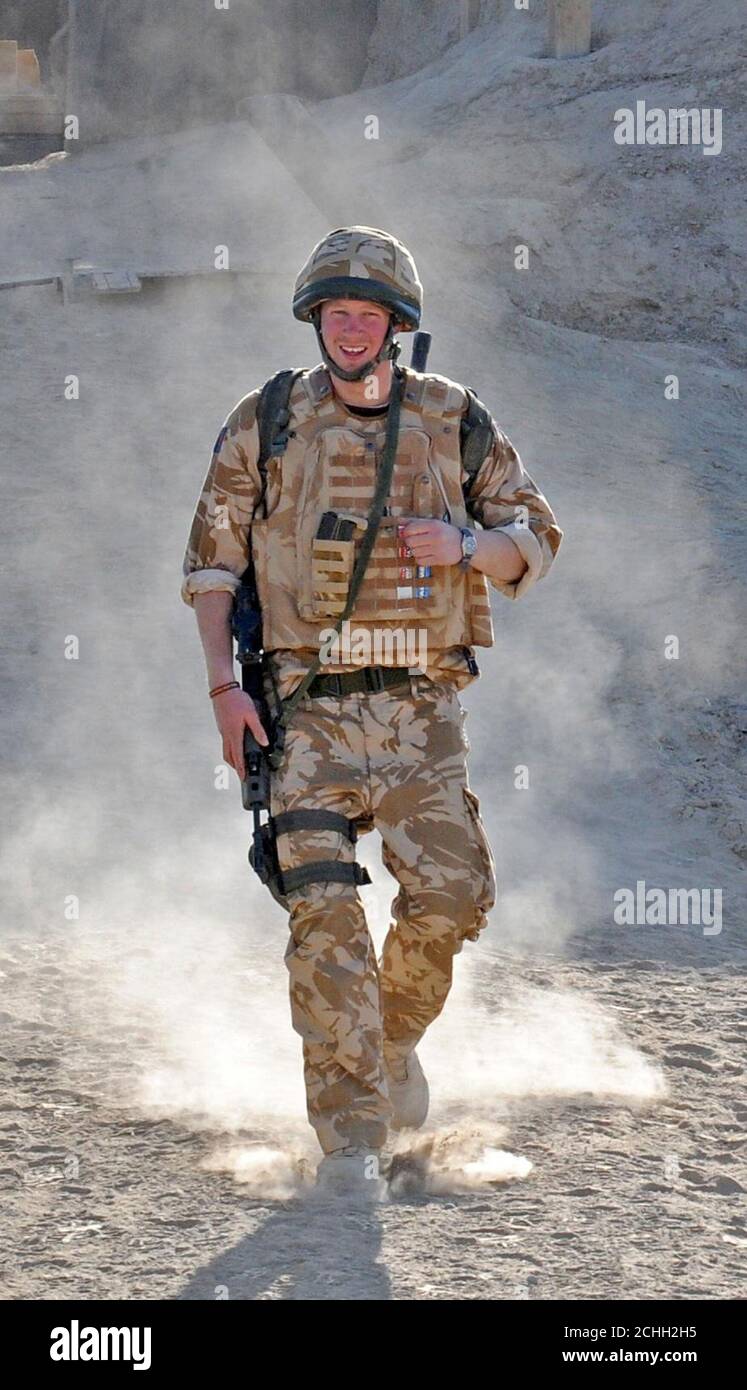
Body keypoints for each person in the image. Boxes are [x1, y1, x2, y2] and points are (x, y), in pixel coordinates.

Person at [181, 226, 563, 1196]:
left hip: (420, 707)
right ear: (318, 320)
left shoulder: (451, 418)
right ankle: (352, 1145)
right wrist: (225, 691)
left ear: (397, 323)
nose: (351, 329)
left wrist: (467, 546)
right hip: (303, 706)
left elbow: (537, 536)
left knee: (455, 895)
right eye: (336, 313)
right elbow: (212, 568)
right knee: (325, 914)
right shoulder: (264, 420)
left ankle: (388, 1045)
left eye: (369, 314)